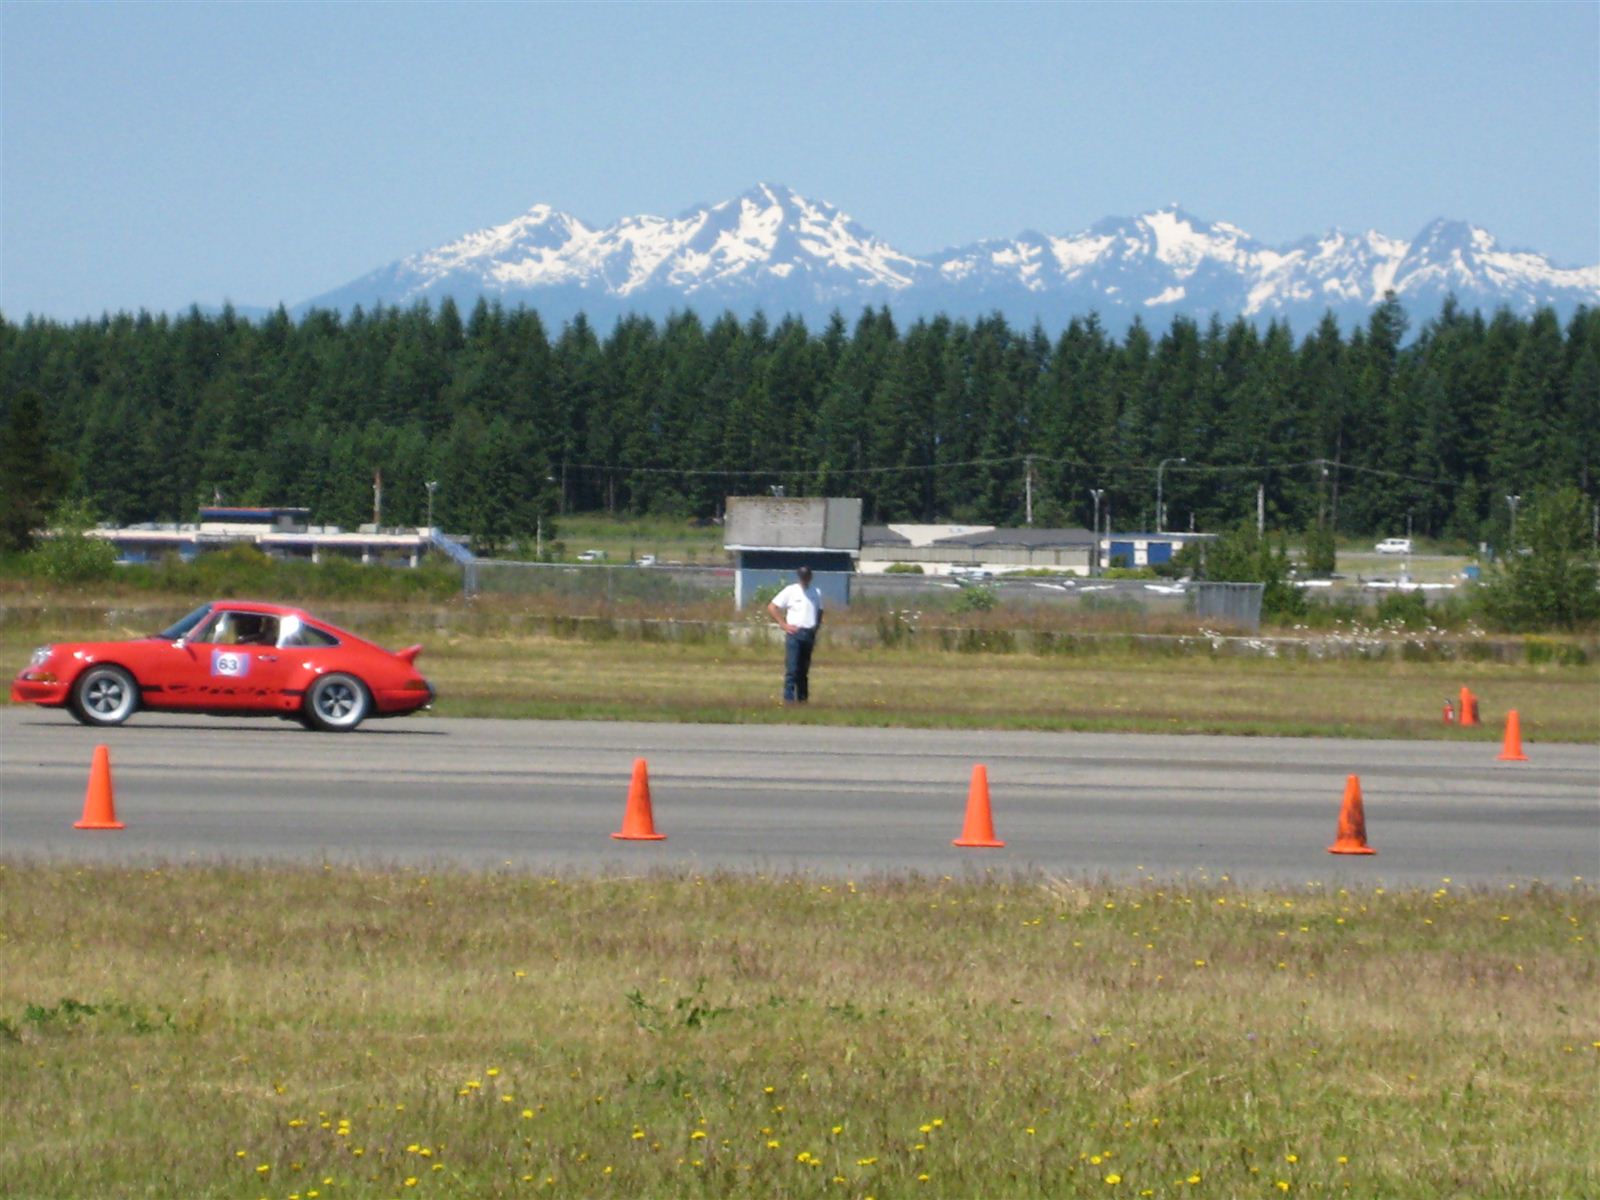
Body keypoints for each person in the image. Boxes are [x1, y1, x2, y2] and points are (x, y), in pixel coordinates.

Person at [767, 565, 824, 704]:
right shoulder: (790, 591)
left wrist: (815, 627)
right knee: (792, 669)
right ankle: (789, 700)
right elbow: (772, 607)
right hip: (795, 634)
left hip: (809, 633)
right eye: (803, 576)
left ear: (810, 577)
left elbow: (820, 610)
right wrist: (784, 624)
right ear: (800, 577)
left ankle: (803, 700)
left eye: (807, 576)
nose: (805, 579)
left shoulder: (816, 592)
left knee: (803, 671)